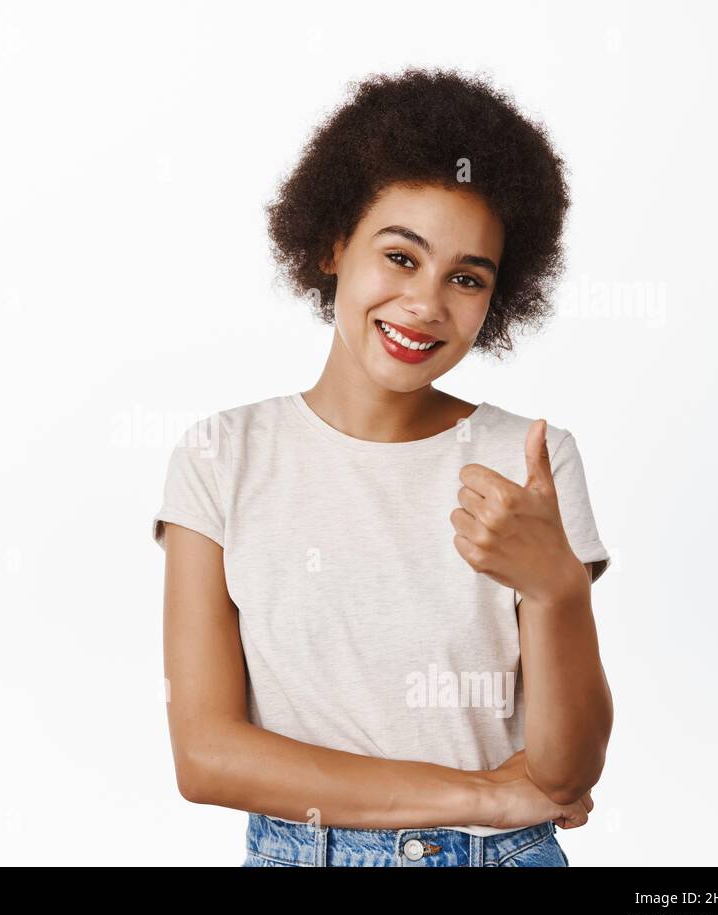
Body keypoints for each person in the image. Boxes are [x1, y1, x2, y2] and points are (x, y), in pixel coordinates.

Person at [150, 67, 612, 867]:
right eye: (401, 257)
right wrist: (481, 794)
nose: (427, 304)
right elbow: (206, 756)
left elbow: (567, 773)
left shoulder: (529, 463)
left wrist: (556, 585)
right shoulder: (221, 458)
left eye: (466, 278)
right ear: (333, 244)